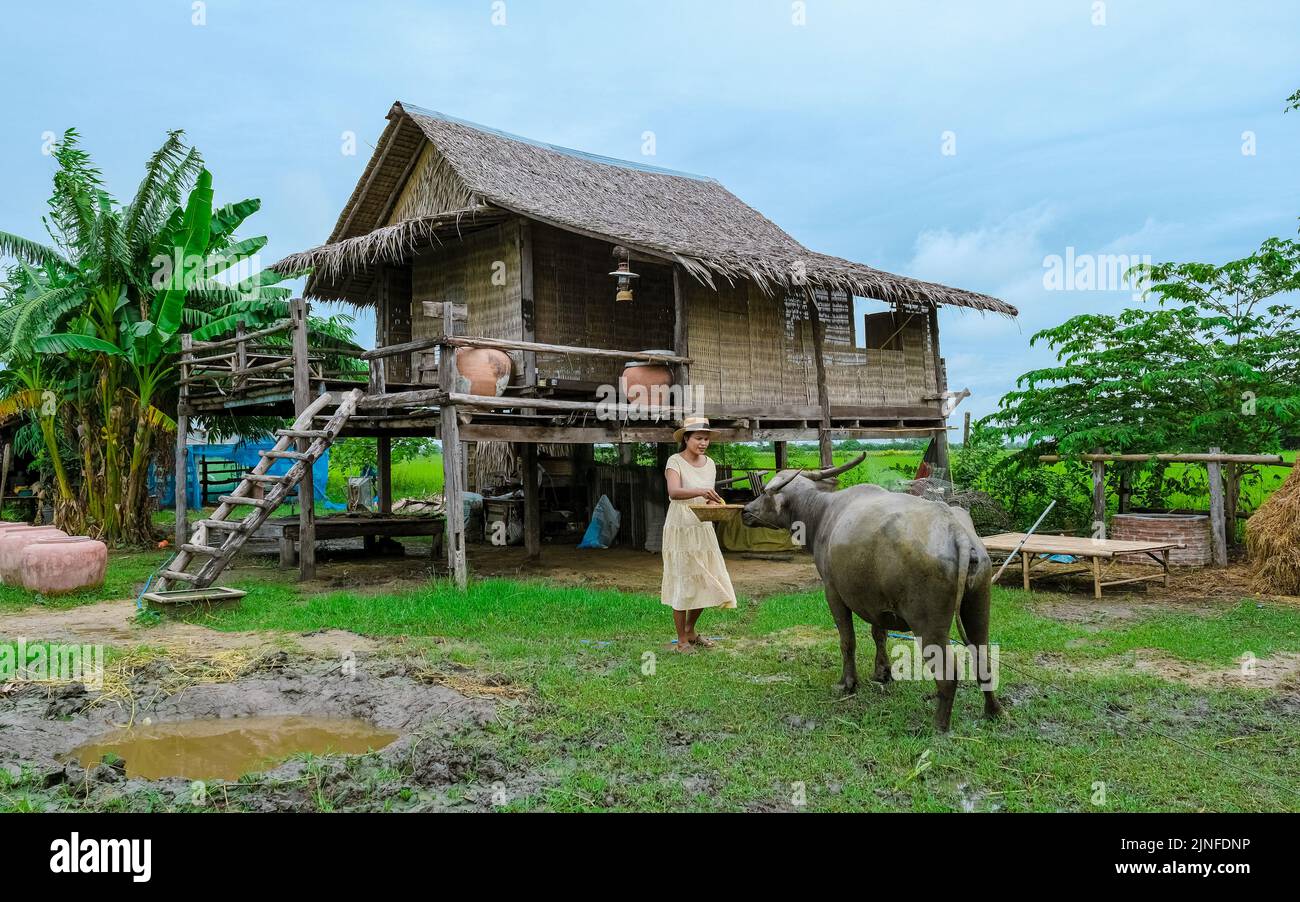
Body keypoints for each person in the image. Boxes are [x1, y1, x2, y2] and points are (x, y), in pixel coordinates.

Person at [661, 416, 737, 652]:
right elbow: (674, 492)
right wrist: (702, 490)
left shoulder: (710, 463)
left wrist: (715, 505)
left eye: (706, 439)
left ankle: (691, 631)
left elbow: (706, 498)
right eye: (698, 438)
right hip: (681, 526)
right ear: (686, 438)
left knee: (705, 578)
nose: (703, 443)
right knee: (683, 579)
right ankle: (681, 641)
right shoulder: (675, 462)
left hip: (702, 526)